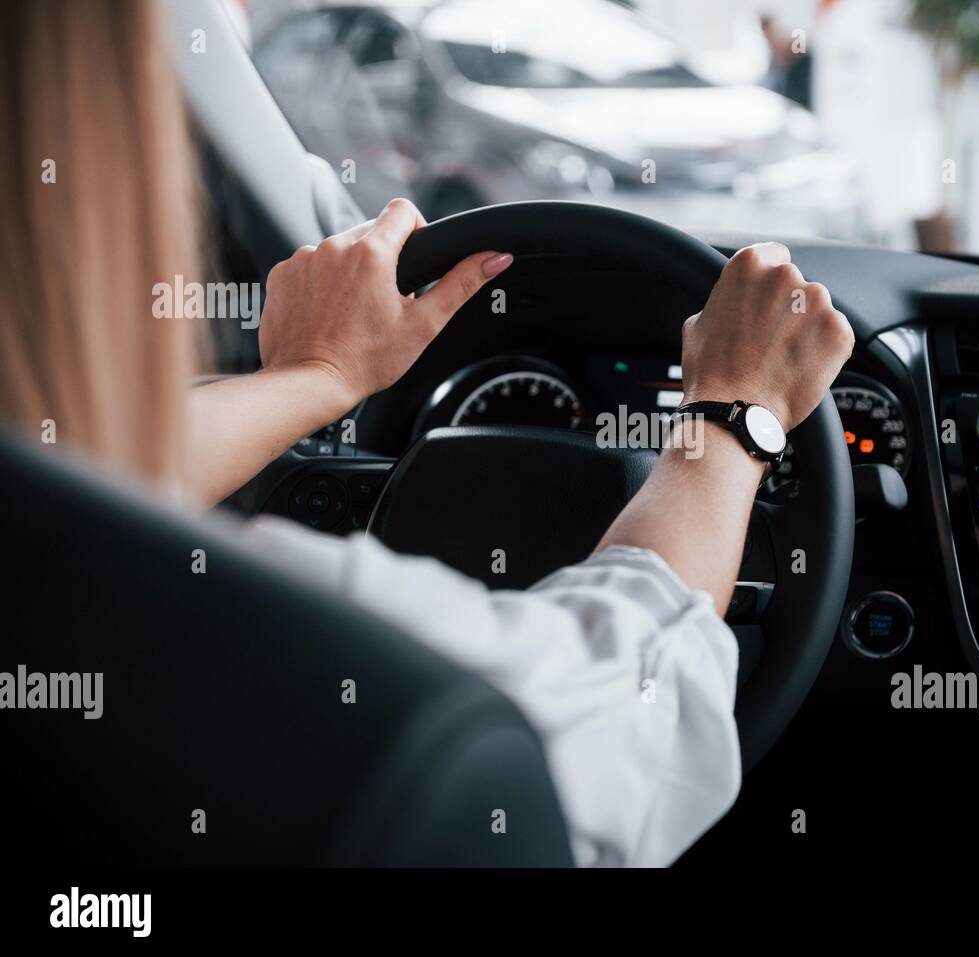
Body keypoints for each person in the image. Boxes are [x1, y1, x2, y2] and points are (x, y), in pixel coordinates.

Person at [0, 1, 852, 866]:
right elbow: (635, 699)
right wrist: (734, 415)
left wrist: (313, 380)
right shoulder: (294, 645)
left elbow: (81, 475)